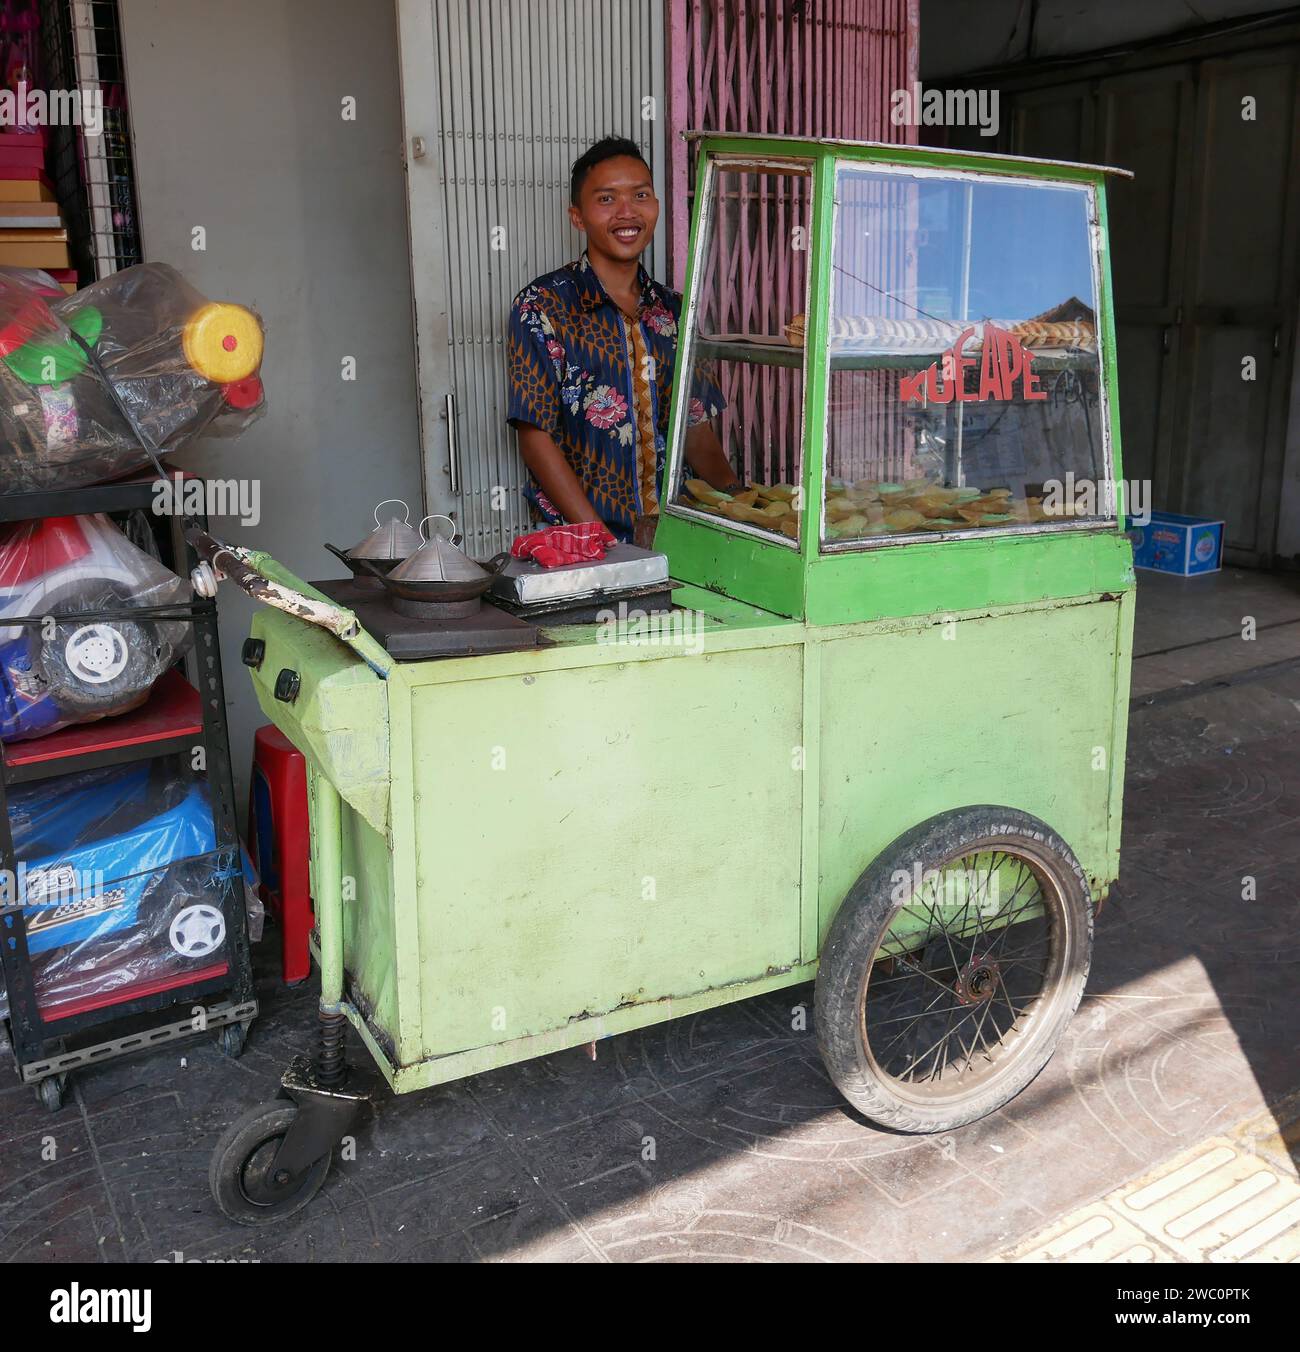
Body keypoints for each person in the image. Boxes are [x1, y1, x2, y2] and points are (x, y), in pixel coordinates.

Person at [507, 136, 739, 547]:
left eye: (640, 195)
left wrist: (739, 503)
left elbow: (694, 425)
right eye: (607, 199)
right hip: (583, 544)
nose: (627, 212)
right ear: (577, 217)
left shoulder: (675, 311)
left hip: (678, 537)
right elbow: (535, 434)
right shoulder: (543, 306)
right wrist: (598, 538)